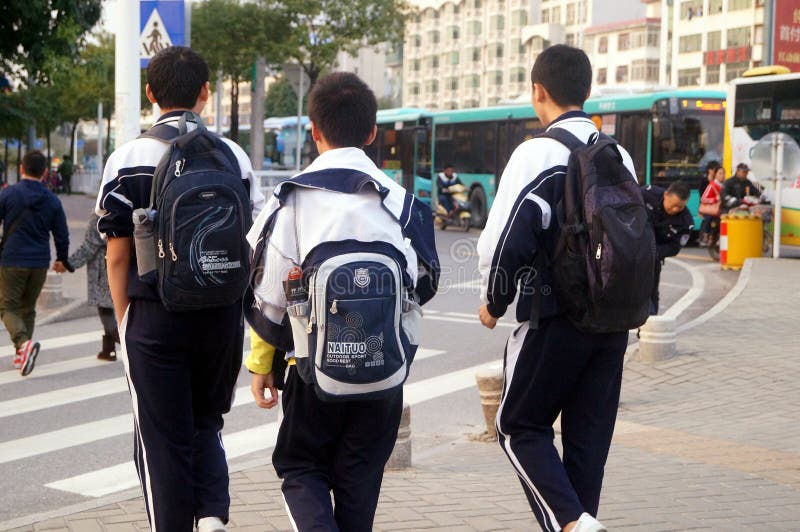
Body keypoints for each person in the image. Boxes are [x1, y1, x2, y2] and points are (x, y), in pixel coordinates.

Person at [246, 72, 439, 532]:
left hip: (311, 374)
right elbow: (423, 284)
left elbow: (268, 299)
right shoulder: (404, 204)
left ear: (314, 131)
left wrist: (260, 366)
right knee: (360, 479)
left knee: (300, 468)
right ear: (372, 133)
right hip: (383, 375)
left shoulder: (290, 201)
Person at [96, 46, 265, 532]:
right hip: (219, 313)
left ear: (151, 94)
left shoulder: (127, 158)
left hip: (155, 315)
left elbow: (117, 253)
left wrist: (127, 322)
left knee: (160, 441)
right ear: (205, 93)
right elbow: (248, 241)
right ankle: (211, 517)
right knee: (206, 424)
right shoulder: (233, 156)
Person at [476, 45, 635, 532]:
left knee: (518, 426)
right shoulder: (619, 153)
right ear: (587, 92)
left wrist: (493, 301)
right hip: (612, 321)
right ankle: (581, 521)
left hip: (555, 319)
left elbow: (505, 239)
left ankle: (572, 523)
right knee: (587, 445)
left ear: (537, 92)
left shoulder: (536, 152)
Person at [0, 150, 70, 376]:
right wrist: (62, 259)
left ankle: (22, 344)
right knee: (27, 308)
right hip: (40, 262)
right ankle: (22, 355)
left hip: (11, 260)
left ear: (21, 168)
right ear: (46, 172)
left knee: (7, 307)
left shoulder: (8, 194)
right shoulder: (52, 200)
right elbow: (61, 234)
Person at [67, 212, 118, 361]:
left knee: (105, 310)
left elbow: (89, 246)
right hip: (116, 264)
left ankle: (128, 344)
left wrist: (69, 264)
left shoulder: (100, 213)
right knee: (107, 307)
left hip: (104, 268)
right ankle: (108, 350)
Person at [642, 181, 694, 314]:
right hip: (629, 249)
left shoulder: (685, 223)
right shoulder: (648, 194)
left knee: (650, 293)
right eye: (673, 205)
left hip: (653, 258)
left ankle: (650, 327)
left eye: (680, 207)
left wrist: (653, 253)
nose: (675, 209)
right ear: (666, 195)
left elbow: (674, 248)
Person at [698, 161, 722, 244]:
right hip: (708, 205)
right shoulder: (705, 181)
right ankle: (705, 235)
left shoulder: (719, 183)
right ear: (709, 170)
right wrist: (714, 199)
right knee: (708, 217)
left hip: (716, 206)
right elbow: (703, 196)